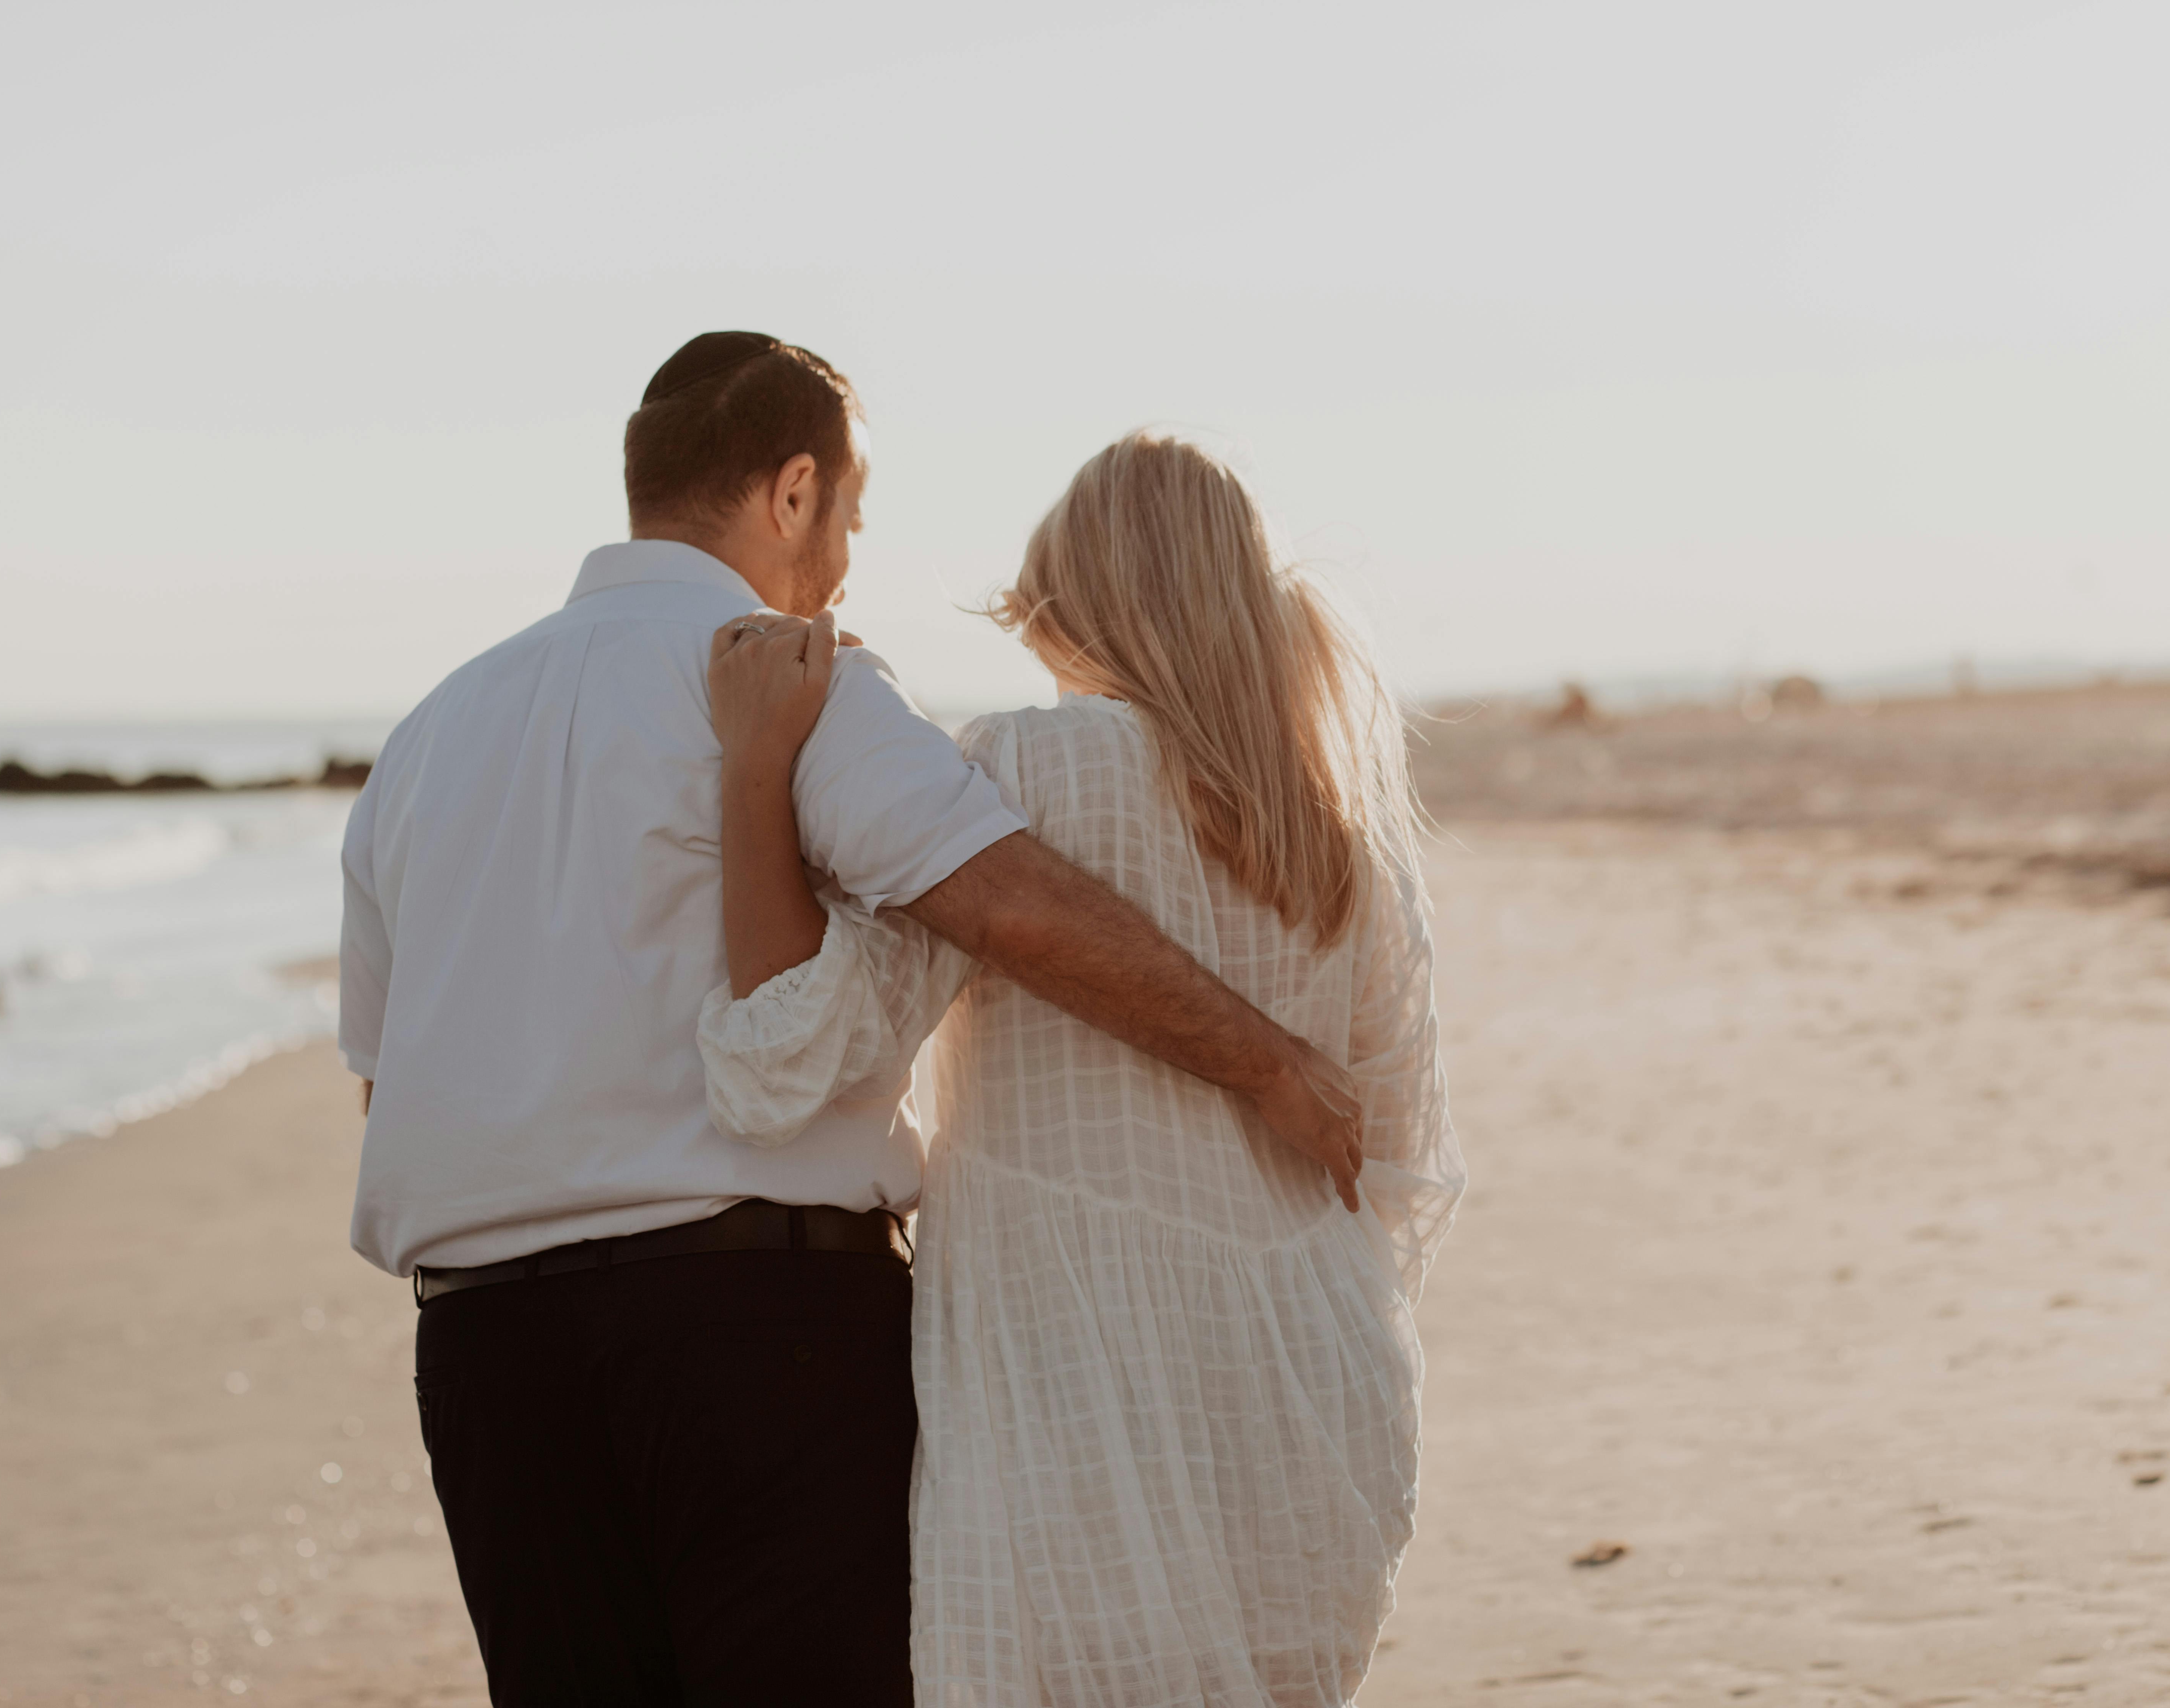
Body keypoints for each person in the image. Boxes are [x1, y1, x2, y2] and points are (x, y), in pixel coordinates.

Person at [337, 337, 1364, 1706]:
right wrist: (1268, 1060)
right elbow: (1002, 900)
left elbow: (383, 1076)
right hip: (755, 1326)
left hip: (484, 1357)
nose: (847, 562)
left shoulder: (426, 737)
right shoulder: (786, 675)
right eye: (853, 520)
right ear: (794, 491)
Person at [700, 430, 1463, 1706]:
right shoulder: (1337, 831)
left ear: (1074, 607)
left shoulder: (1021, 773)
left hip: (1073, 1371)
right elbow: (1393, 1147)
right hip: (1315, 1369)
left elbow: (796, 1055)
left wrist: (756, 772)